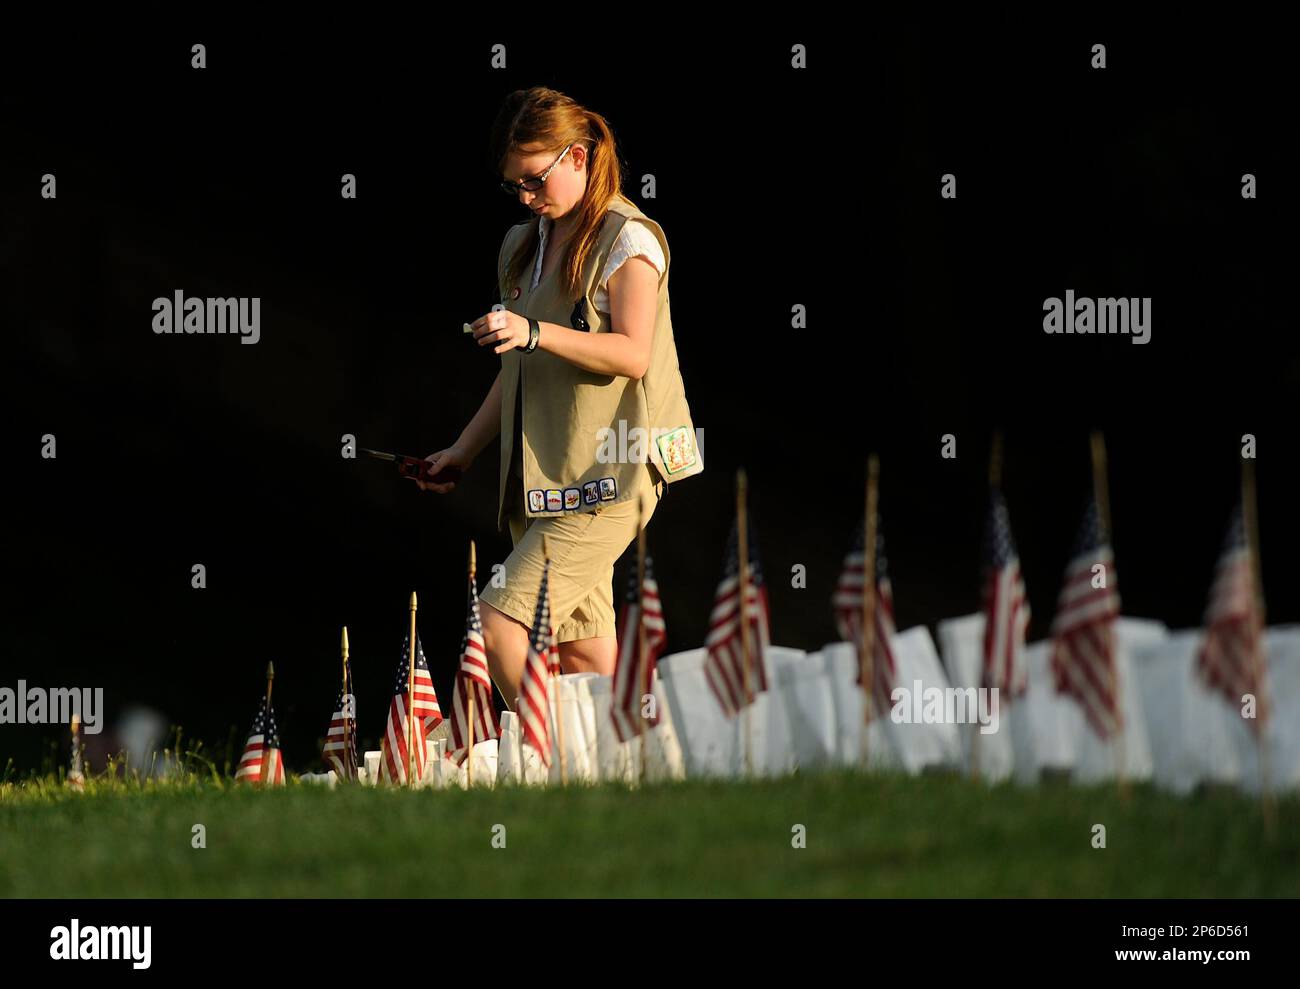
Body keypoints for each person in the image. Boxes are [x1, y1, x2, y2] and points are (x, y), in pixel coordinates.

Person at [417, 87, 703, 710]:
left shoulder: (631, 240)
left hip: (617, 470)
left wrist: (533, 331)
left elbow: (632, 352)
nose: (526, 198)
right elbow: (520, 372)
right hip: (555, 473)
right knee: (584, 663)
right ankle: (629, 775)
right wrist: (462, 452)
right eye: (514, 186)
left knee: (499, 623)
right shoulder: (523, 244)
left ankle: (557, 772)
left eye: (535, 180)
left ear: (578, 156)